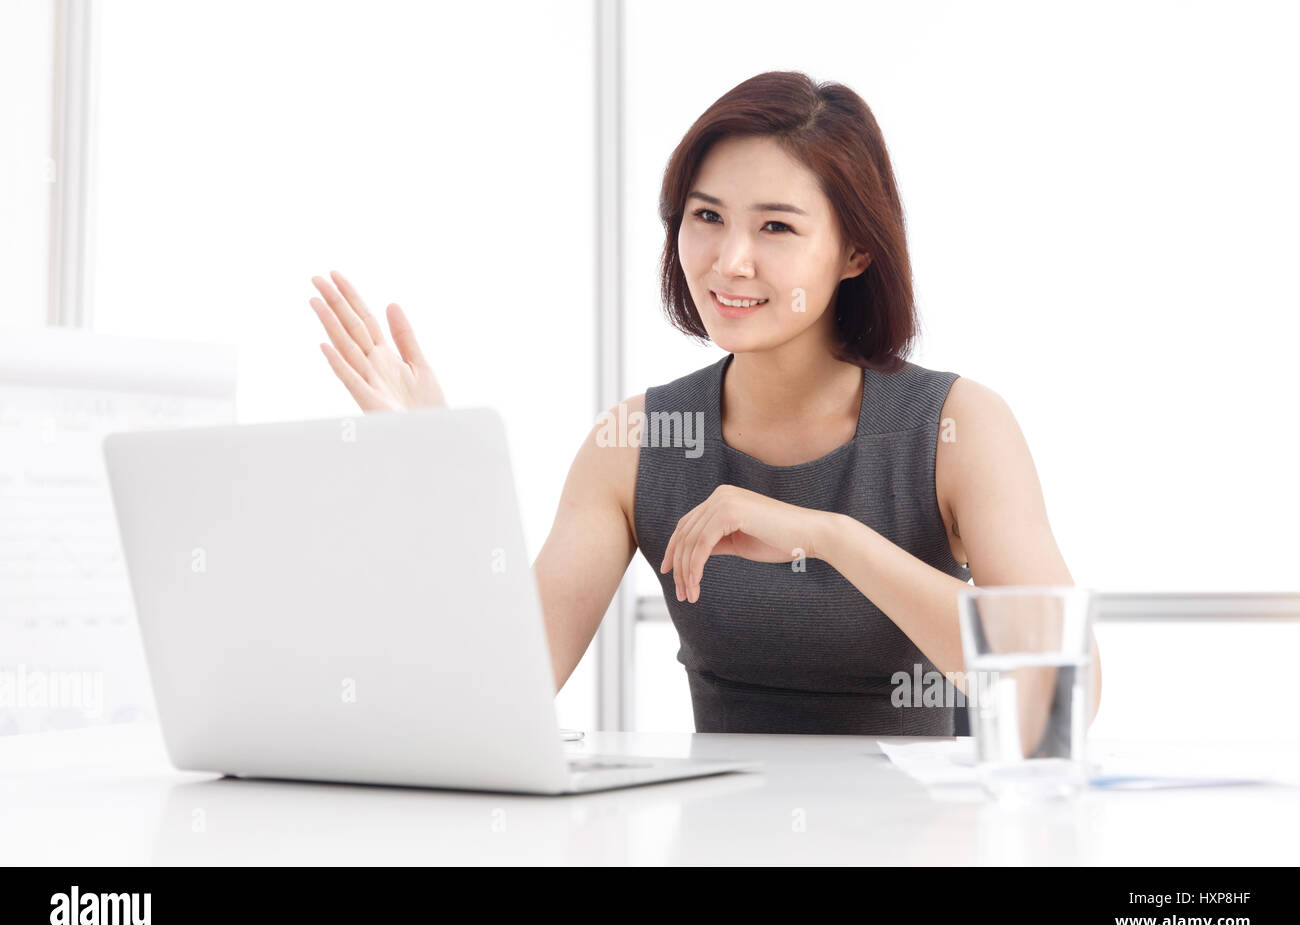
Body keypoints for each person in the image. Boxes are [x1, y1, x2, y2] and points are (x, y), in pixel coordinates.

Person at [307, 70, 1102, 736]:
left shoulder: (958, 429)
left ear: (856, 250)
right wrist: (438, 471)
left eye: (777, 227)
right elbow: (494, 692)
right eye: (707, 217)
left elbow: (1064, 694)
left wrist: (825, 536)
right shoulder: (635, 443)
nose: (730, 260)